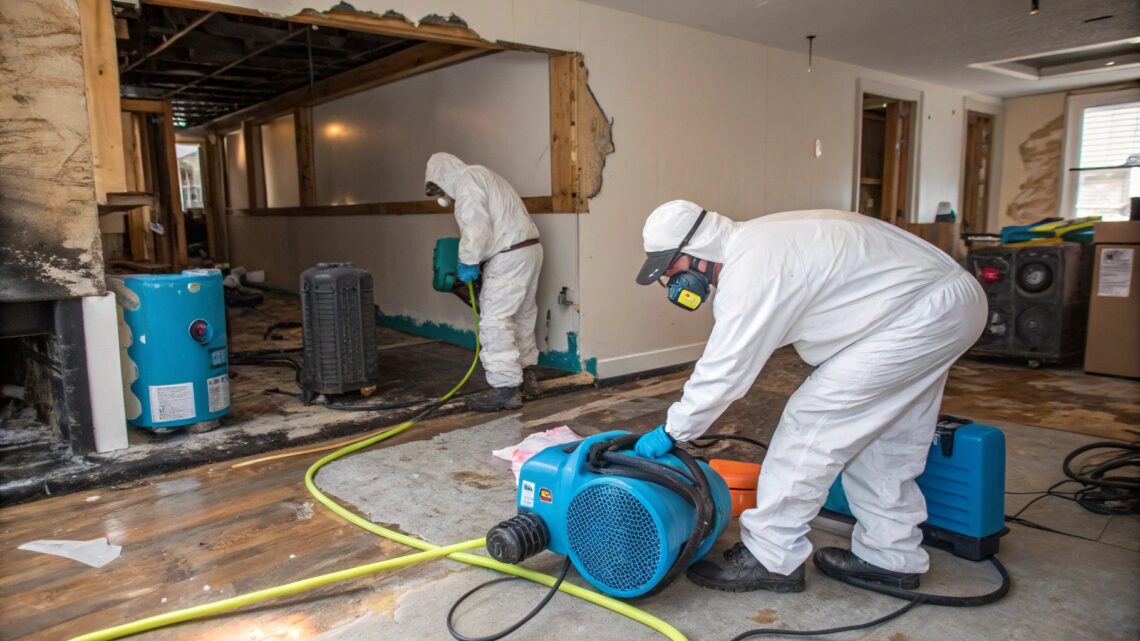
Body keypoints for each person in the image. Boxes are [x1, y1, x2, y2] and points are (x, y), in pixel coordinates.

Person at [632, 200, 986, 593]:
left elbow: (724, 371)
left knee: (811, 425)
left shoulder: (751, 268)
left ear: (698, 249)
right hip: (949, 303)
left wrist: (673, 430)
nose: (670, 278)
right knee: (887, 436)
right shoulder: (761, 237)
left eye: (671, 267)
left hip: (920, 313)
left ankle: (771, 556)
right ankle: (890, 556)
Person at [425, 152, 544, 412]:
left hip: (507, 255)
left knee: (494, 320)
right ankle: (527, 377)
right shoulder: (486, 175)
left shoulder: (467, 180)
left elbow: (476, 225)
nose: (444, 197)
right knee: (522, 315)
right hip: (529, 249)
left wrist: (468, 260)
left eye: (440, 190)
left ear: (443, 176)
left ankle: (505, 388)